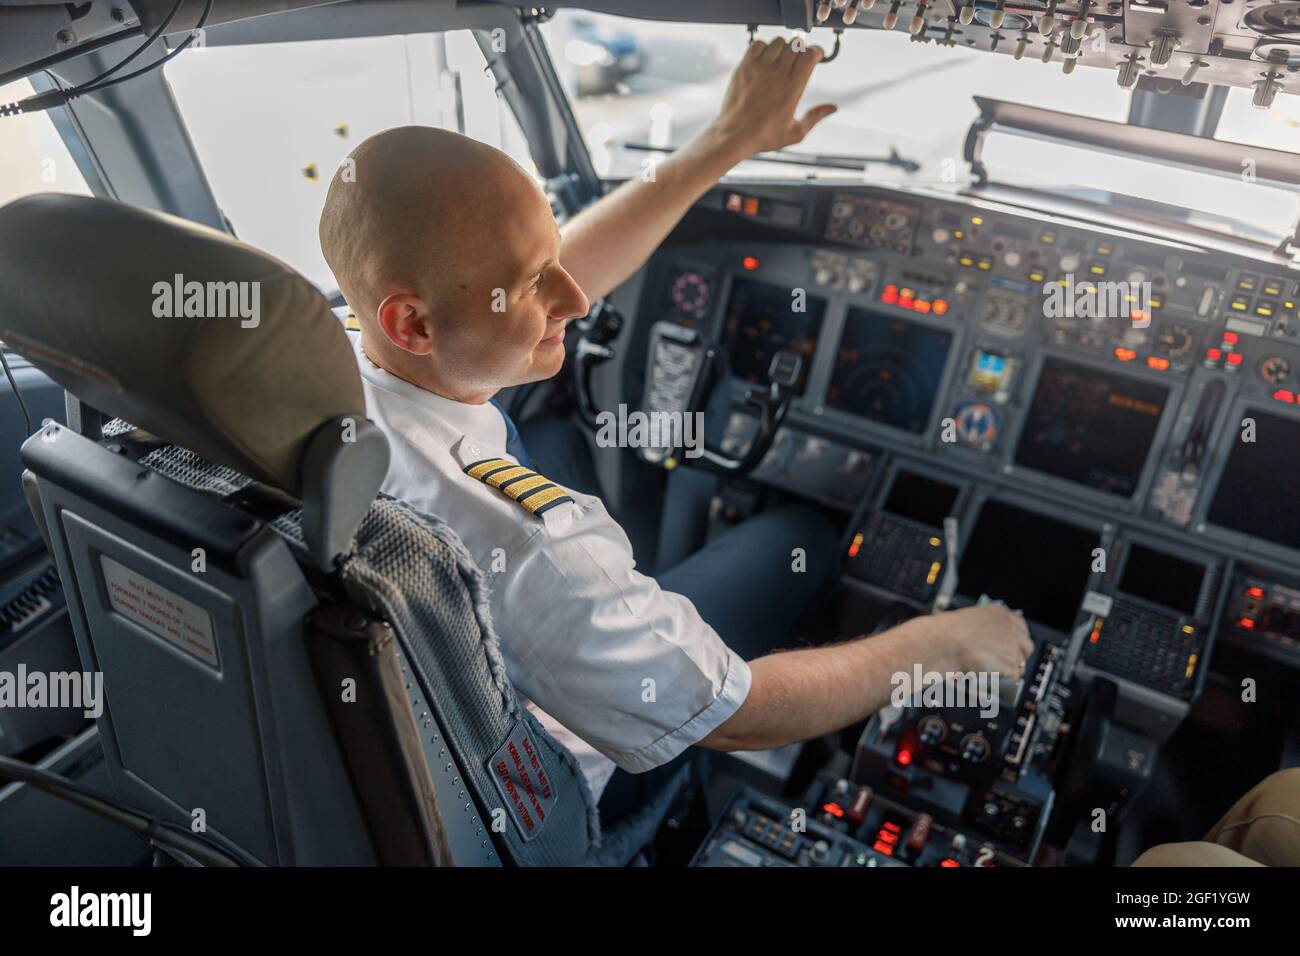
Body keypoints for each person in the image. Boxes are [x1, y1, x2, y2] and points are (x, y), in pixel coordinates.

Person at [317, 37, 1032, 824]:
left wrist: (730, 140)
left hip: (395, 756)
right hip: (551, 784)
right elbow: (738, 715)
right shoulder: (536, 548)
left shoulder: (319, 365)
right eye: (533, 283)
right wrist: (943, 645)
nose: (576, 299)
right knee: (800, 536)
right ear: (411, 322)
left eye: (554, 253)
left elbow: (534, 285)